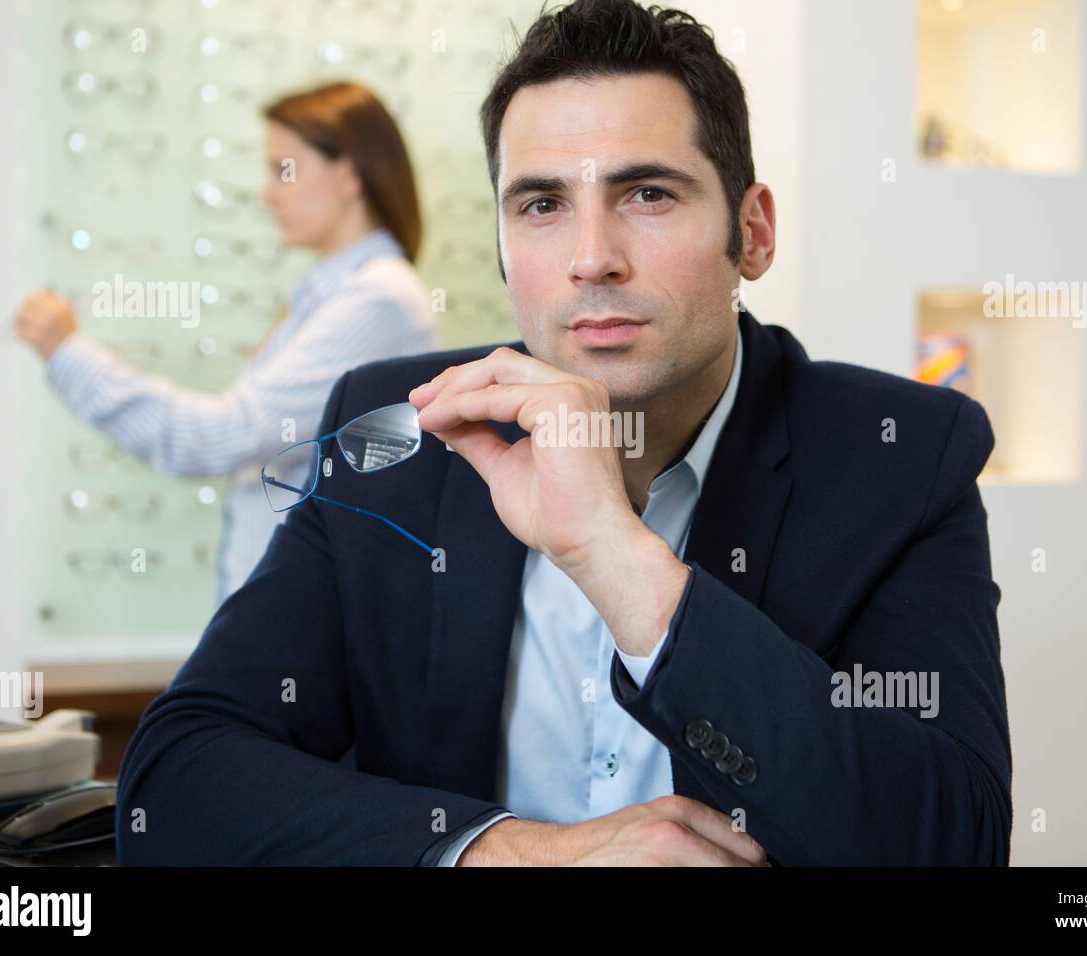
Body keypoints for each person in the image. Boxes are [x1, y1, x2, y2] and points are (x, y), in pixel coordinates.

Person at [116, 0, 1011, 865]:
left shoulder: (900, 455)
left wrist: (614, 556)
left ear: (752, 233)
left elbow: (949, 840)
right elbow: (172, 784)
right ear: (505, 249)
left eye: (648, 194)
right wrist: (518, 855)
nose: (591, 257)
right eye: (541, 205)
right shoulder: (404, 430)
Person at [14, 82, 438, 602]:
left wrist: (68, 352)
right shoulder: (336, 296)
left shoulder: (375, 301)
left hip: (308, 625)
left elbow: (216, 436)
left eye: (284, 168)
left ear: (348, 174)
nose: (267, 193)